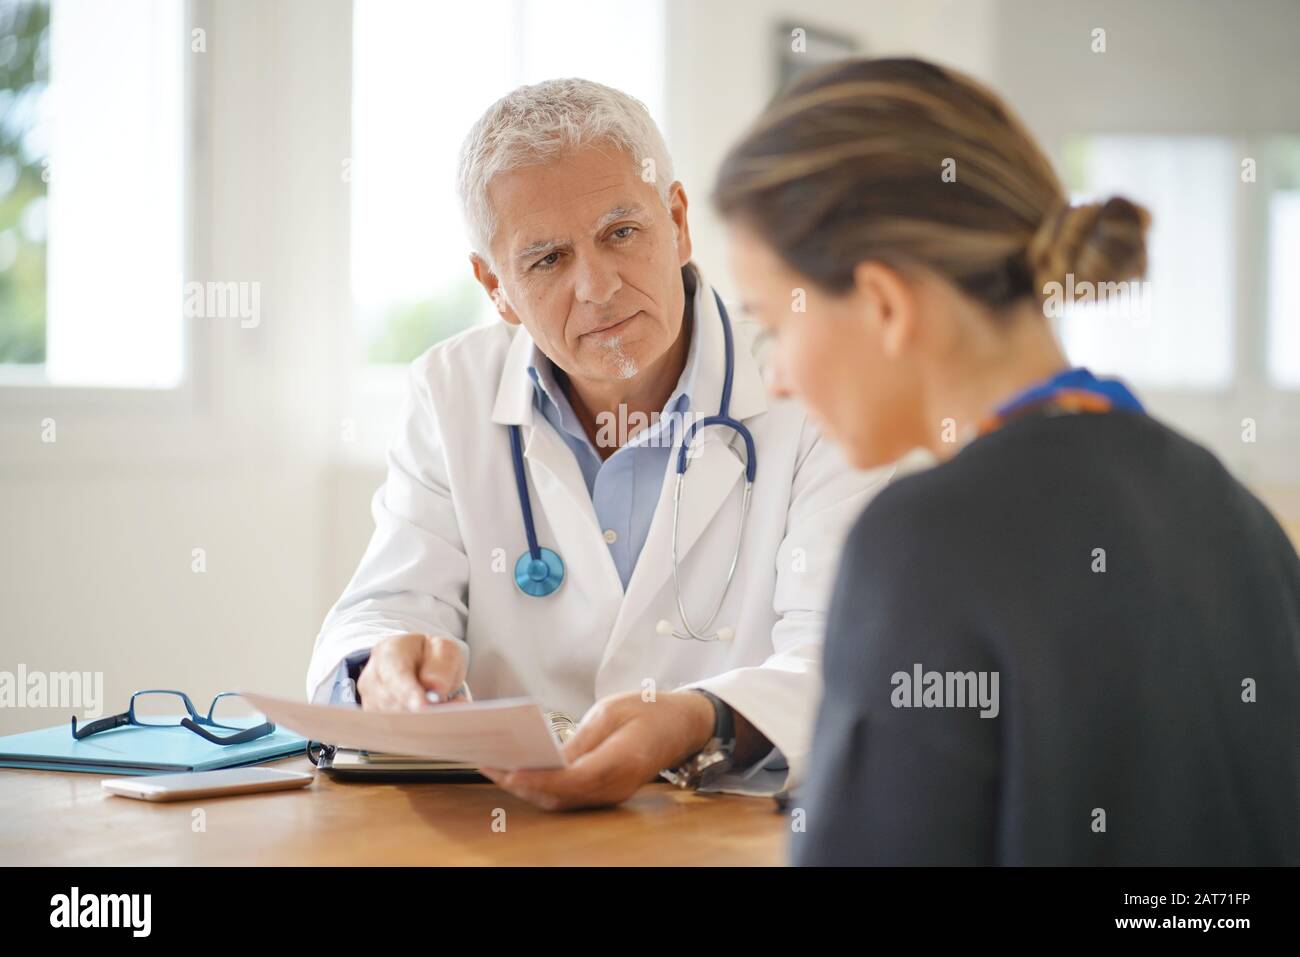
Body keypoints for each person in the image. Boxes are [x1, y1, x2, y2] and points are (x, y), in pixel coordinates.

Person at [713, 56, 1300, 864]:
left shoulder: (923, 541)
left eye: (773, 321)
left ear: (884, 302)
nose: (774, 373)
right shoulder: (1229, 505)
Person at [306, 78, 891, 810]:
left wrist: (698, 720)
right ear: (494, 284)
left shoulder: (809, 383)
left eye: (622, 233)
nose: (597, 286)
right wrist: (382, 669)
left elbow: (845, 659)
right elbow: (381, 610)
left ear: (677, 222)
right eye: (547, 259)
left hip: (723, 829)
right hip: (511, 834)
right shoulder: (450, 390)